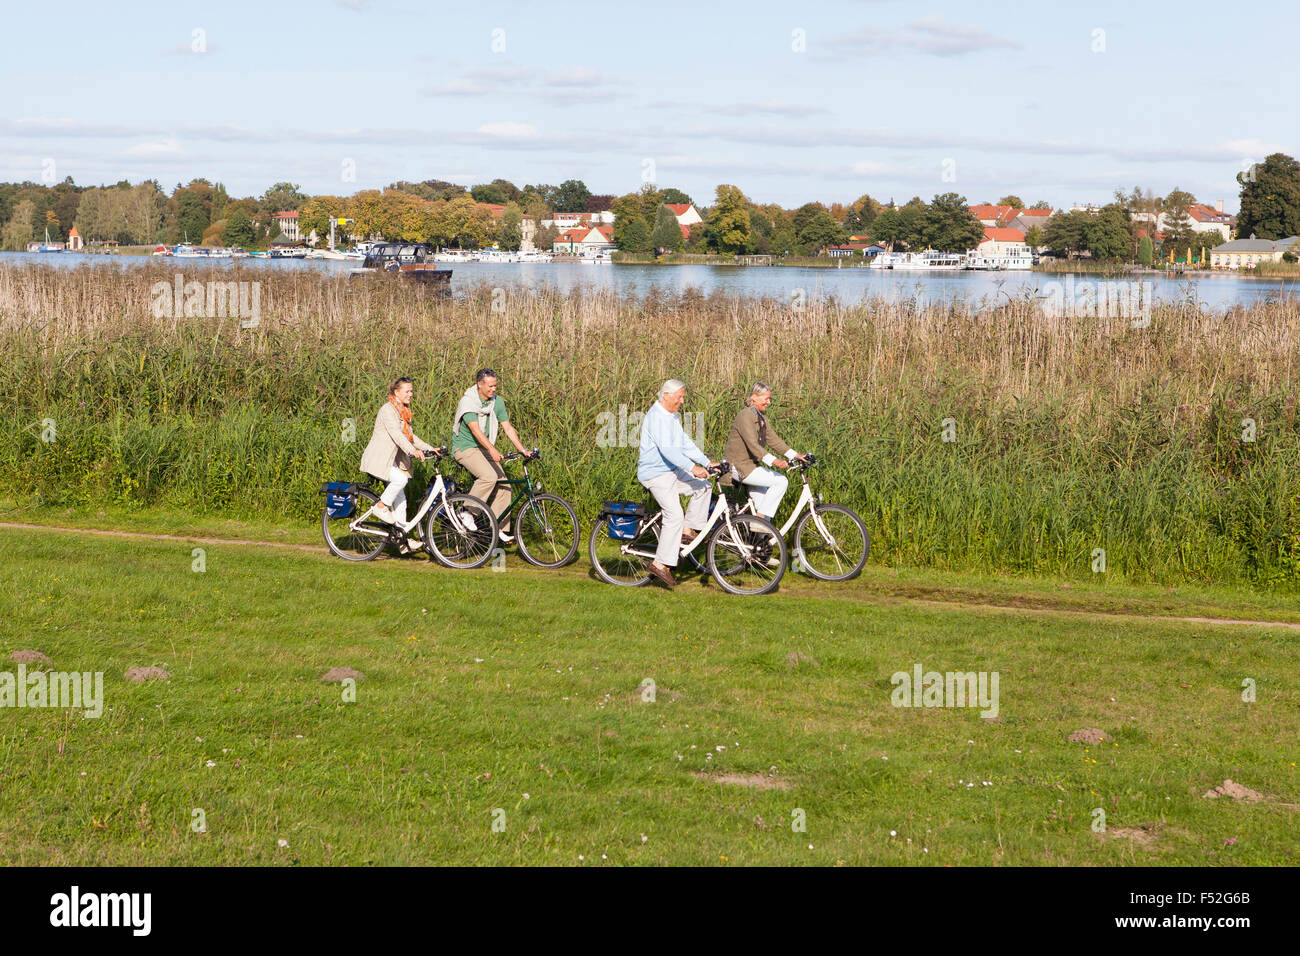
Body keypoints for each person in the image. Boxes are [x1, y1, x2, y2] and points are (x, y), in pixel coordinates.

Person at [637, 379, 719, 589]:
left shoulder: (671, 416)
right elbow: (669, 451)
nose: (682, 401)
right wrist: (693, 468)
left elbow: (684, 443)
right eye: (679, 397)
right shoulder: (656, 417)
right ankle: (660, 563)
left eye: (683, 397)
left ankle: (686, 530)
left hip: (671, 471)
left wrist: (707, 463)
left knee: (704, 487)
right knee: (673, 514)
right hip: (656, 474)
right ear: (666, 395)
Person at [452, 368, 533, 542]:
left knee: (504, 484)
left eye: (495, 385)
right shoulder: (468, 402)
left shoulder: (497, 403)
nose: (493, 389)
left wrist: (523, 450)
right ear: (479, 384)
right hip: (465, 448)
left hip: (483, 448)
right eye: (490, 386)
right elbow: (475, 430)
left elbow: (508, 428)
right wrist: (492, 449)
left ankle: (497, 528)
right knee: (489, 476)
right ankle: (466, 511)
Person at [359, 376, 437, 550]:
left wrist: (430, 449)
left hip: (390, 462)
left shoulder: (402, 411)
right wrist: (412, 451)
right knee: (401, 480)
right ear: (396, 392)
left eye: (411, 390)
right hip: (379, 460)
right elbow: (396, 435)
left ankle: (402, 540)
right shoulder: (388, 410)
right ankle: (380, 507)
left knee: (401, 501)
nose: (411, 394)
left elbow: (410, 437)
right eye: (407, 391)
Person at [723, 381, 806, 521]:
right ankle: (759, 521)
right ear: (754, 397)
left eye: (769, 399)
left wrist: (796, 455)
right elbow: (753, 445)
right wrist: (775, 461)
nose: (769, 402)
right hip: (739, 467)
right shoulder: (745, 416)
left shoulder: (760, 417)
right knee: (781, 481)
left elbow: (773, 440)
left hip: (752, 467)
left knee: (764, 507)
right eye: (766, 398)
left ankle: (759, 537)